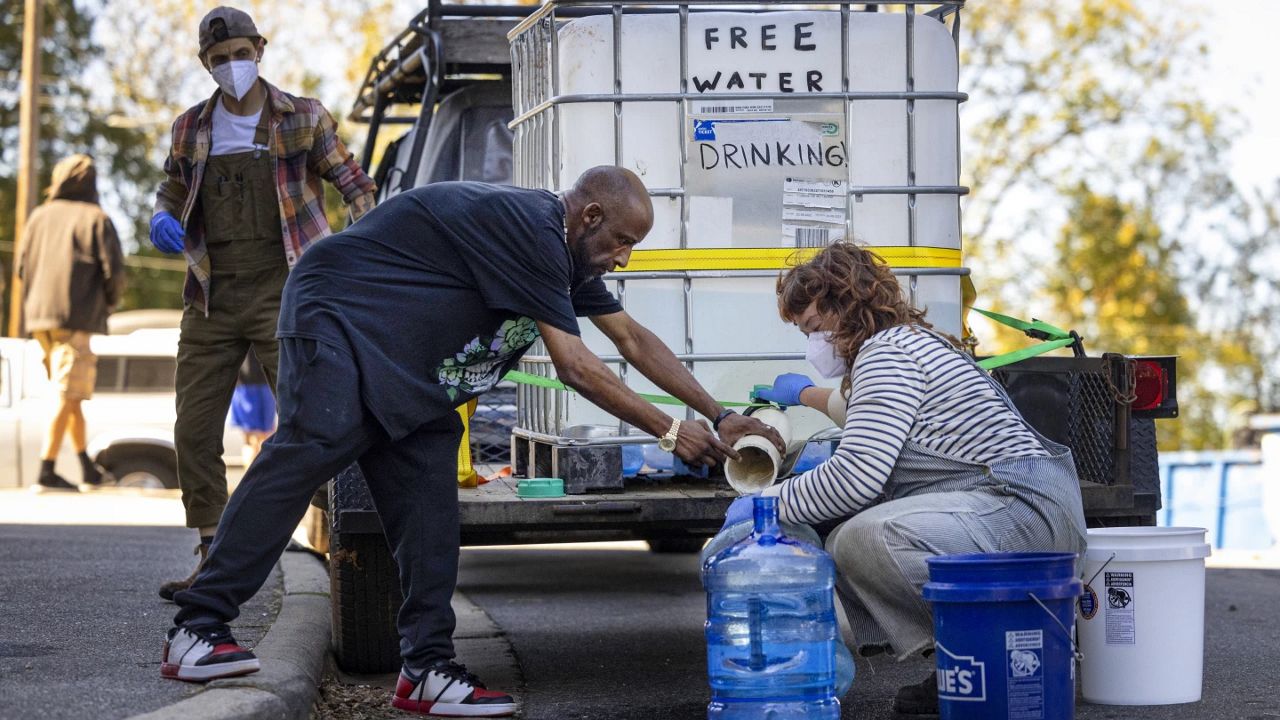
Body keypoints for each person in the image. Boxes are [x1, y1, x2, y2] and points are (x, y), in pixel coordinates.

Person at [158, 167, 783, 715]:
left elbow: (632, 340)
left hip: (411, 364)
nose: (623, 257)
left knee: (429, 506)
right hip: (339, 316)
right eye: (622, 240)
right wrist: (671, 431)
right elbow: (576, 365)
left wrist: (718, 413)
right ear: (589, 215)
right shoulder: (533, 229)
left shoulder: (568, 255)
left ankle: (426, 670)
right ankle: (199, 628)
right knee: (310, 447)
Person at [731, 242, 1087, 717]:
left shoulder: (888, 354)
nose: (812, 343)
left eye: (814, 328)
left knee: (864, 539)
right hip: (1025, 509)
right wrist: (802, 393)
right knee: (855, 534)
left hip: (1018, 511)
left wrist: (764, 503)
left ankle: (995, 652)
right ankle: (966, 669)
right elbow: (857, 411)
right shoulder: (907, 344)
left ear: (845, 303)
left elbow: (855, 477)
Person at [149, 6, 376, 600]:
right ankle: (211, 556)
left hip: (289, 293)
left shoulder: (302, 118)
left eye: (240, 54)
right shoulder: (190, 128)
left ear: (261, 49)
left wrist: (361, 249)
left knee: (316, 420)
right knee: (193, 430)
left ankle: (347, 545)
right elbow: (173, 185)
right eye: (220, 59)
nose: (232, 67)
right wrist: (162, 214)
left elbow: (355, 185)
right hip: (211, 295)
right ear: (206, 64)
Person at [17, 154, 126, 492]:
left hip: (39, 319)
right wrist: (106, 303)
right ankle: (46, 471)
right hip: (76, 318)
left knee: (72, 394)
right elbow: (114, 273)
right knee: (67, 394)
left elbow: (21, 268)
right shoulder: (97, 219)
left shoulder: (38, 217)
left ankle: (86, 469)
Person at [229, 351, 275, 465]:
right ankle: (256, 479)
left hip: (250, 381)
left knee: (255, 439)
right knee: (259, 439)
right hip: (253, 382)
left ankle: (254, 479)